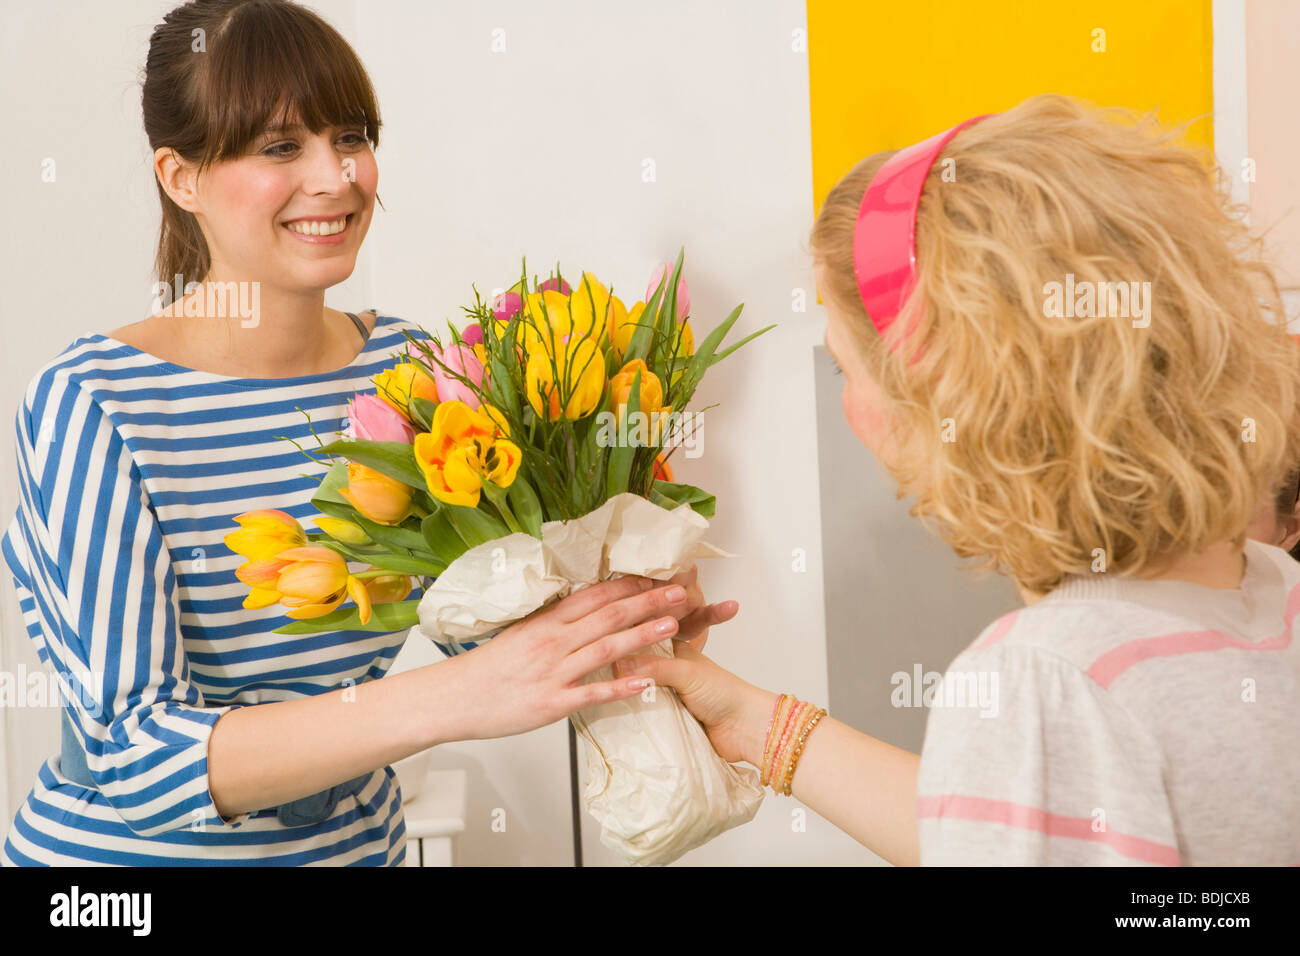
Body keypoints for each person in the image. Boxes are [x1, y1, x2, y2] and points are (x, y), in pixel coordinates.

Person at [0, 0, 734, 866]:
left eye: (351, 136)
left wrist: (618, 616)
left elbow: (479, 622)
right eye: (281, 148)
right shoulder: (97, 402)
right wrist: (454, 696)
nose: (337, 176)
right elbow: (138, 760)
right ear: (180, 176)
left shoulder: (408, 370)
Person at [615, 93, 1300, 866]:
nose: (845, 405)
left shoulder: (1043, 688)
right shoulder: (1267, 592)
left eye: (845, 367)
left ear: (954, 406)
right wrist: (761, 729)